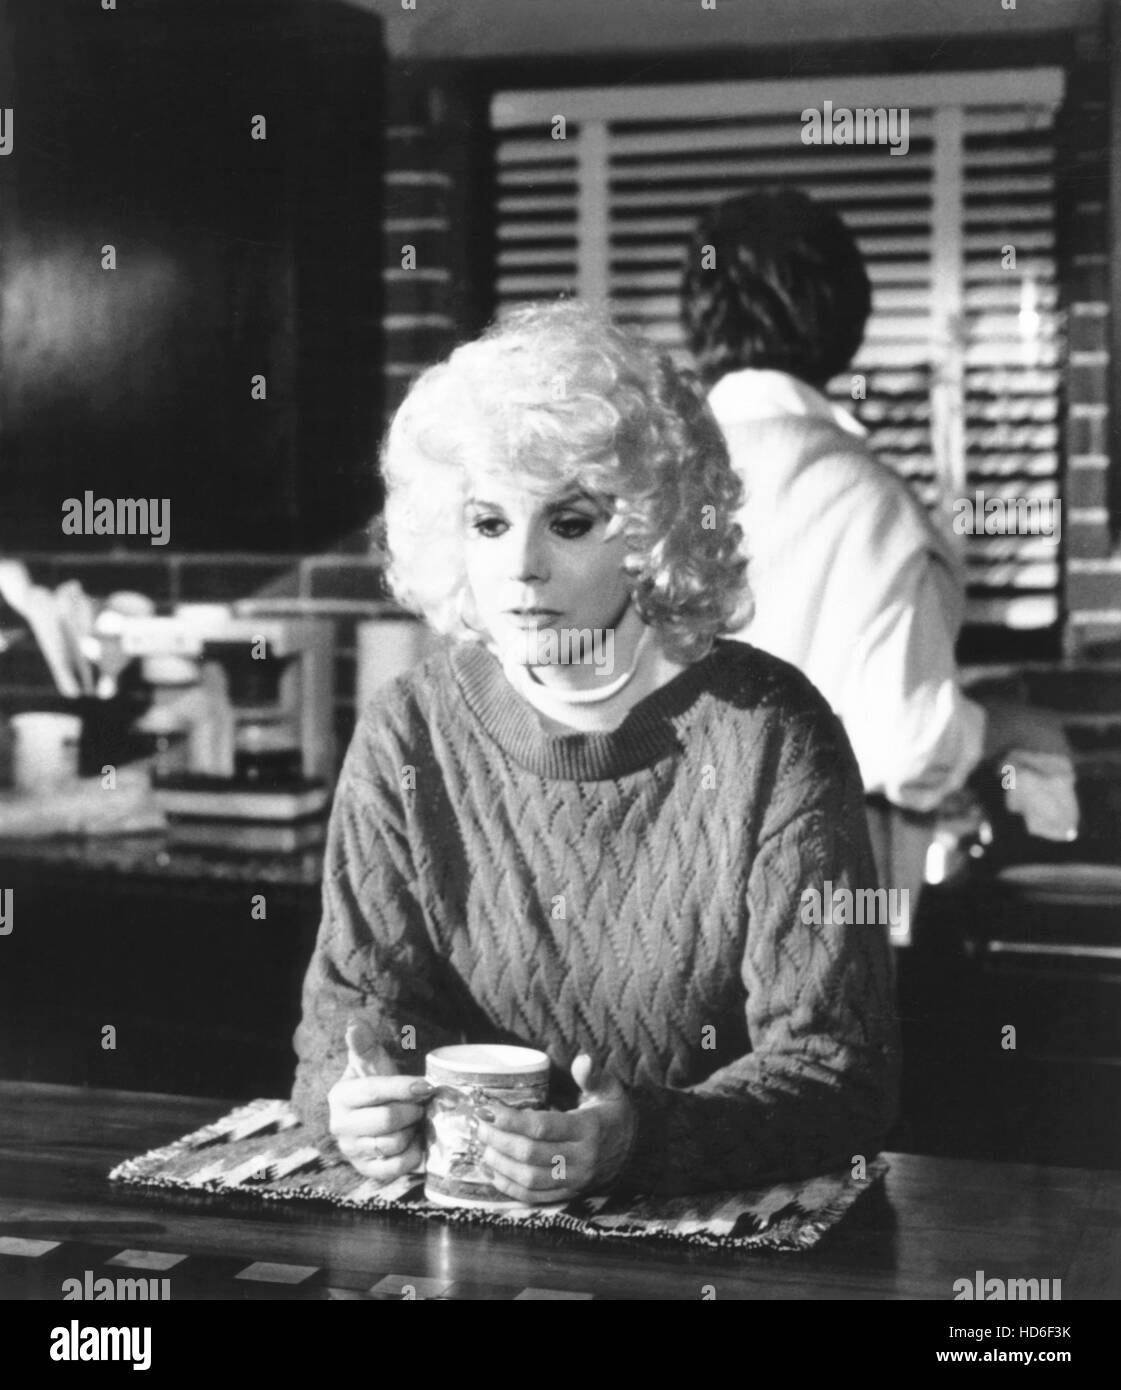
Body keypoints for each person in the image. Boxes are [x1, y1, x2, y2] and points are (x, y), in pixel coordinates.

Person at [291, 300, 899, 1201]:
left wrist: (640, 1140)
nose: (522, 566)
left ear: (652, 534)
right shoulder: (405, 732)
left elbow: (836, 1072)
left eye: (569, 523)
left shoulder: (770, 730)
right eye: (489, 524)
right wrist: (353, 1106)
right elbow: (351, 1018)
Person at [681, 189, 1078, 896]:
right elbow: (904, 739)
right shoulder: (865, 499)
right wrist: (1007, 731)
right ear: (846, 318)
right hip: (809, 912)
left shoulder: (647, 481)